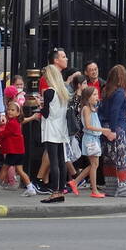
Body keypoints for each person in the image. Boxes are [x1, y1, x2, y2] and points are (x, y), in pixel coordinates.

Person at [39, 53, 78, 203]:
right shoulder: (63, 92)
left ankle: (55, 192)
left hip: (51, 128)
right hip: (61, 128)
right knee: (61, 161)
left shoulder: (49, 92)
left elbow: (46, 113)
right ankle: (60, 190)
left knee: (54, 161)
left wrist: (40, 106)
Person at [99, 65, 126, 197]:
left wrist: (106, 128)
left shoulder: (106, 91)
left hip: (105, 128)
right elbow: (115, 111)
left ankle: (110, 187)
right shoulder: (119, 92)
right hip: (117, 128)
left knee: (109, 159)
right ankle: (124, 189)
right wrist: (113, 130)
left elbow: (102, 111)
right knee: (120, 158)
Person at [70, 84, 106, 197]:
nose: (97, 97)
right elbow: (88, 126)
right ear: (88, 96)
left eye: (97, 94)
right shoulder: (86, 109)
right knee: (94, 164)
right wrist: (103, 130)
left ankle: (75, 182)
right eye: (94, 94)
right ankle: (94, 190)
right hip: (90, 139)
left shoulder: (93, 108)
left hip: (94, 138)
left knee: (94, 164)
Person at [0, 101, 32, 192]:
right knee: (20, 170)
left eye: (12, 110)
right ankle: (30, 188)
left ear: (18, 113)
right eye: (9, 110)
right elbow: (8, 136)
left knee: (4, 169)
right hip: (19, 151)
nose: (9, 111)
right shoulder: (16, 122)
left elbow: (4, 134)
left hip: (13, 152)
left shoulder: (12, 123)